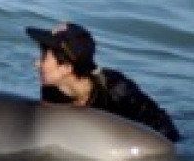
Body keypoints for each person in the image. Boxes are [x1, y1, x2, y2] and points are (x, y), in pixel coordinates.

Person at [26, 22, 181, 142]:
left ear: (66, 67)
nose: (36, 64)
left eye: (43, 58)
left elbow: (164, 129)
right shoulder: (52, 91)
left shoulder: (116, 90)